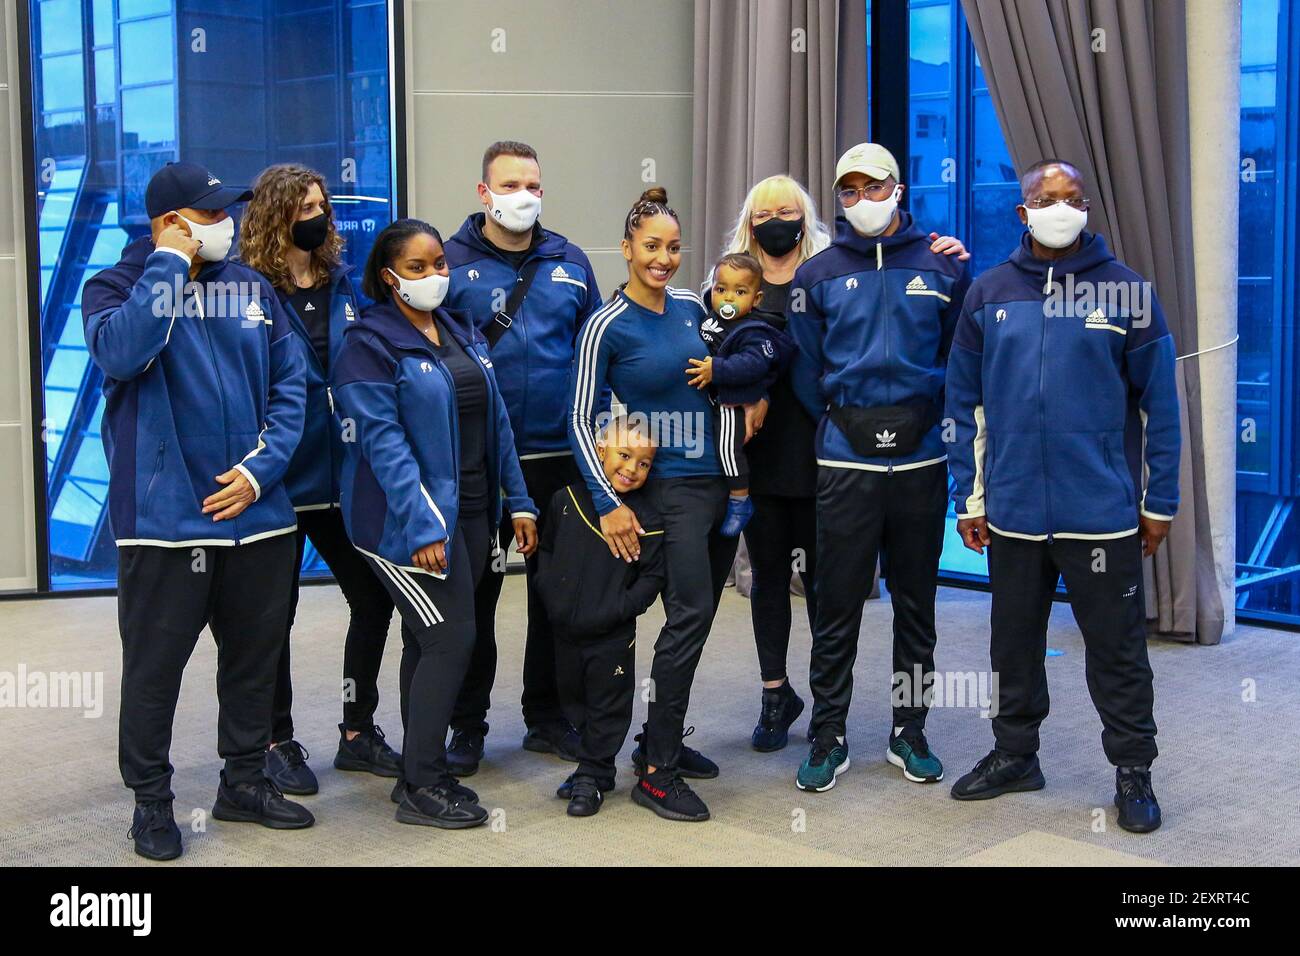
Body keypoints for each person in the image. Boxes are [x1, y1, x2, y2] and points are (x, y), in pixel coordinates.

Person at [82, 161, 312, 860]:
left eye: (224, 213)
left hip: (259, 516)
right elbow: (124, 355)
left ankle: (244, 782)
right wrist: (167, 267)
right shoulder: (114, 287)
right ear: (169, 224)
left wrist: (258, 470)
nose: (227, 226)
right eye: (209, 216)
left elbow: (293, 385)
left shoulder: (250, 287)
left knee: (252, 663)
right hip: (165, 525)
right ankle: (151, 803)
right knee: (155, 672)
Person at [945, 159, 1180, 833]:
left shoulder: (1128, 293)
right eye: (1046, 198)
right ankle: (1016, 754)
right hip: (1015, 513)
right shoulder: (988, 293)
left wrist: (1158, 502)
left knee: (1116, 649)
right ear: (1022, 213)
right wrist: (972, 497)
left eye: (1072, 198)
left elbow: (1160, 409)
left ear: (1087, 209)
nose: (1060, 207)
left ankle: (1133, 769)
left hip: (1100, 514)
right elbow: (964, 404)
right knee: (1012, 643)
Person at [716, 174, 967, 752]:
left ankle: (870, 721)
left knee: (834, 590)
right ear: (748, 221)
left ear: (806, 215)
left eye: (786, 210)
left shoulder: (833, 268)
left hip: (831, 453)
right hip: (765, 453)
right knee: (769, 579)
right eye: (763, 212)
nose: (774, 221)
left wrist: (946, 252)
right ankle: (777, 694)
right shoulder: (731, 279)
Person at [332, 218, 538, 828]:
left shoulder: (458, 329)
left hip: (473, 512)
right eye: (418, 268)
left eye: (439, 264)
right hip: (404, 525)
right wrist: (424, 527)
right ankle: (422, 782)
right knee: (451, 638)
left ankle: (417, 772)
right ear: (389, 276)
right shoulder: (367, 344)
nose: (434, 276)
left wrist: (519, 500)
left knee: (430, 638)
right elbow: (384, 445)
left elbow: (496, 421)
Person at [788, 143, 971, 792]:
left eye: (873, 187)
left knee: (917, 607)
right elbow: (806, 373)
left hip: (921, 461)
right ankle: (827, 734)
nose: (861, 199)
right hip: (846, 462)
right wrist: (849, 424)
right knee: (835, 607)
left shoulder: (945, 267)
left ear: (898, 188)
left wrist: (926, 417)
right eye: (848, 190)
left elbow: (957, 358)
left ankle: (908, 731)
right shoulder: (817, 276)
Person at [569, 187, 733, 823]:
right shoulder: (607, 325)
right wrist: (609, 500)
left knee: (697, 618)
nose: (664, 258)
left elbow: (747, 344)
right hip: (666, 492)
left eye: (673, 247)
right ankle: (658, 771)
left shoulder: (693, 305)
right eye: (651, 247)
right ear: (627, 249)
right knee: (685, 620)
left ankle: (654, 742)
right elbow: (580, 420)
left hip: (716, 485)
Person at [441, 141, 605, 773]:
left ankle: (547, 716)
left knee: (557, 597)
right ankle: (467, 724)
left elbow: (597, 347)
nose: (524, 195)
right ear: (483, 193)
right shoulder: (449, 262)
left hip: (561, 454)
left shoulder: (569, 261)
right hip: (480, 459)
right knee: (474, 598)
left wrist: (601, 421)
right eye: (510, 184)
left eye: (533, 184)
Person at [238, 163, 401, 796]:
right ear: (278, 214)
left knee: (373, 596)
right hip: (278, 475)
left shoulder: (339, 283)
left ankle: (357, 732)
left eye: (324, 206)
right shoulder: (246, 289)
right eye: (307, 207)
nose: (320, 217)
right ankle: (275, 740)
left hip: (344, 472)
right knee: (272, 614)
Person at [535, 416, 666, 816]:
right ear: (599, 453)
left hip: (611, 634)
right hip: (564, 630)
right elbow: (547, 549)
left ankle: (593, 772)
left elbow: (653, 576)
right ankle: (595, 766)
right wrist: (550, 593)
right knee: (573, 698)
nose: (632, 469)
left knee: (607, 704)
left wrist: (620, 609)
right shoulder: (565, 501)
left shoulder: (648, 519)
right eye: (624, 456)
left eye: (643, 463)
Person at [687, 252, 795, 536]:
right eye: (722, 290)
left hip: (732, 403)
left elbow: (754, 364)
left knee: (727, 448)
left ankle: (740, 500)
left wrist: (717, 370)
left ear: (756, 299)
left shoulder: (753, 331)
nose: (728, 298)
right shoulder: (708, 316)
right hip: (708, 401)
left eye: (740, 292)